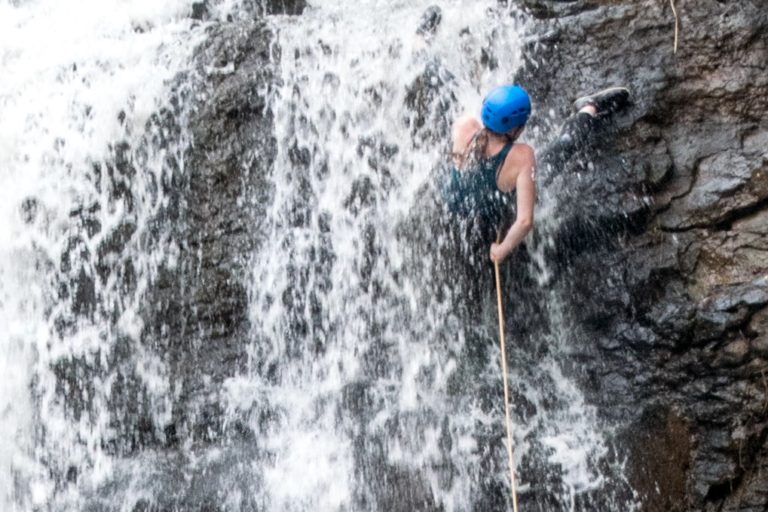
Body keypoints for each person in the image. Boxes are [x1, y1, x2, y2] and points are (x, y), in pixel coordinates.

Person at [443, 84, 630, 263]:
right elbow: (524, 221)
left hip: (453, 212)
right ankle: (589, 107)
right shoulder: (521, 156)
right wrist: (502, 249)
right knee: (564, 145)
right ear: (514, 129)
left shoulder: (465, 126)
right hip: (494, 213)